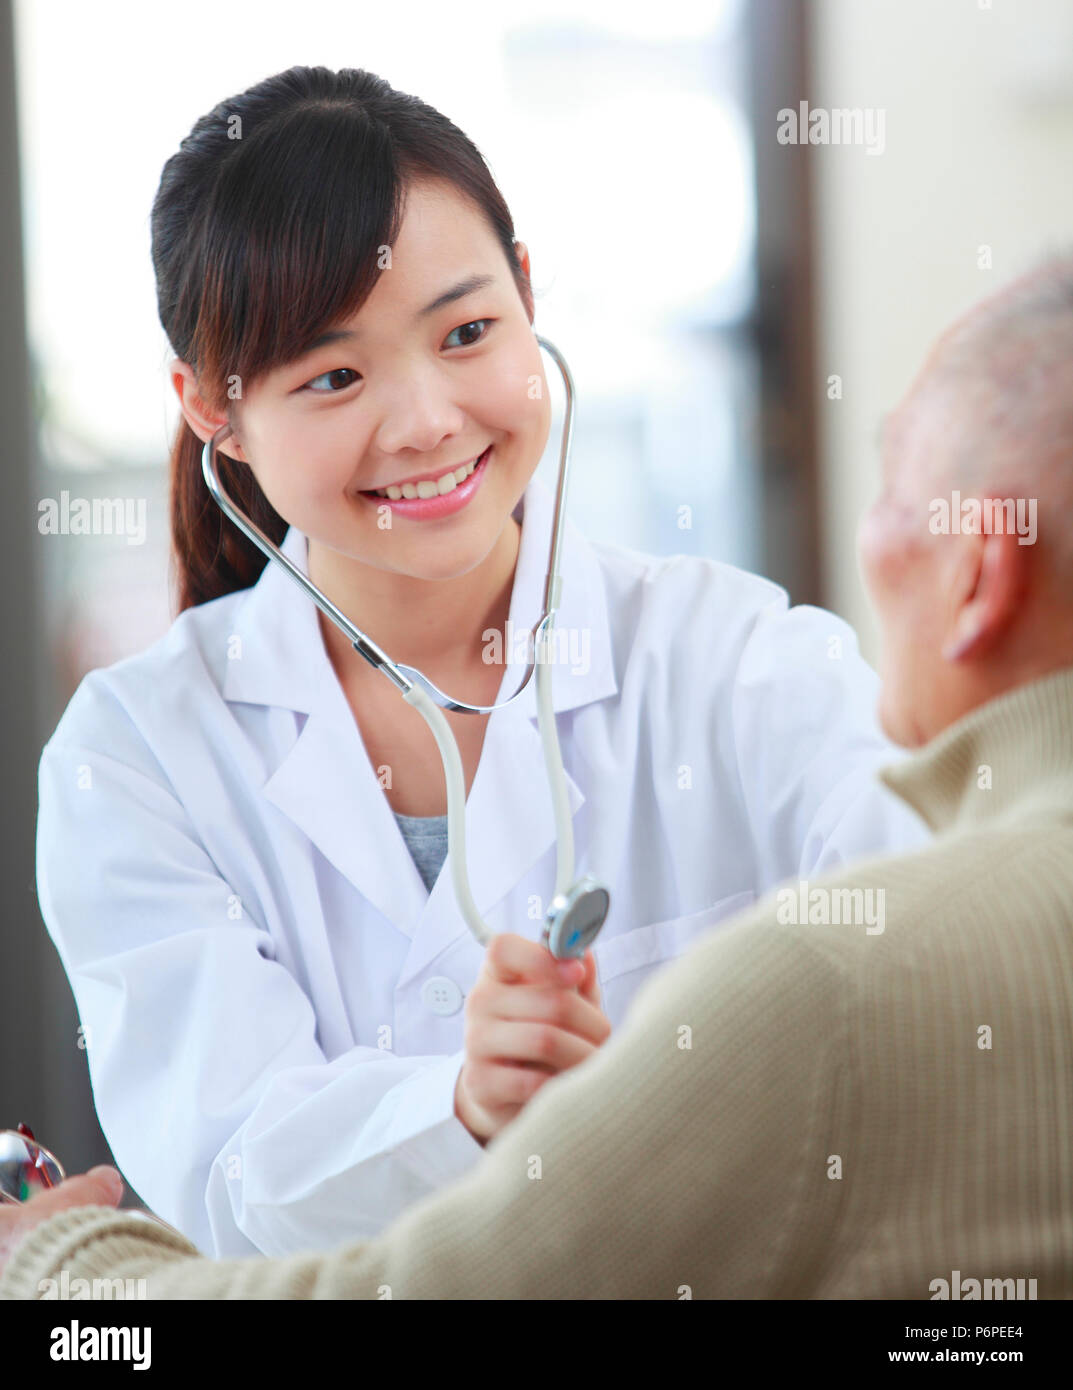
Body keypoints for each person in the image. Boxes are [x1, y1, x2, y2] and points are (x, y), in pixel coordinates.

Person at [29, 65, 925, 1263]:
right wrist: (460, 1103)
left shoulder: (734, 659)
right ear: (212, 410)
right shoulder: (135, 756)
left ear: (527, 293)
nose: (425, 422)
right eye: (333, 375)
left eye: (465, 332)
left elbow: (941, 933)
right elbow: (230, 1168)